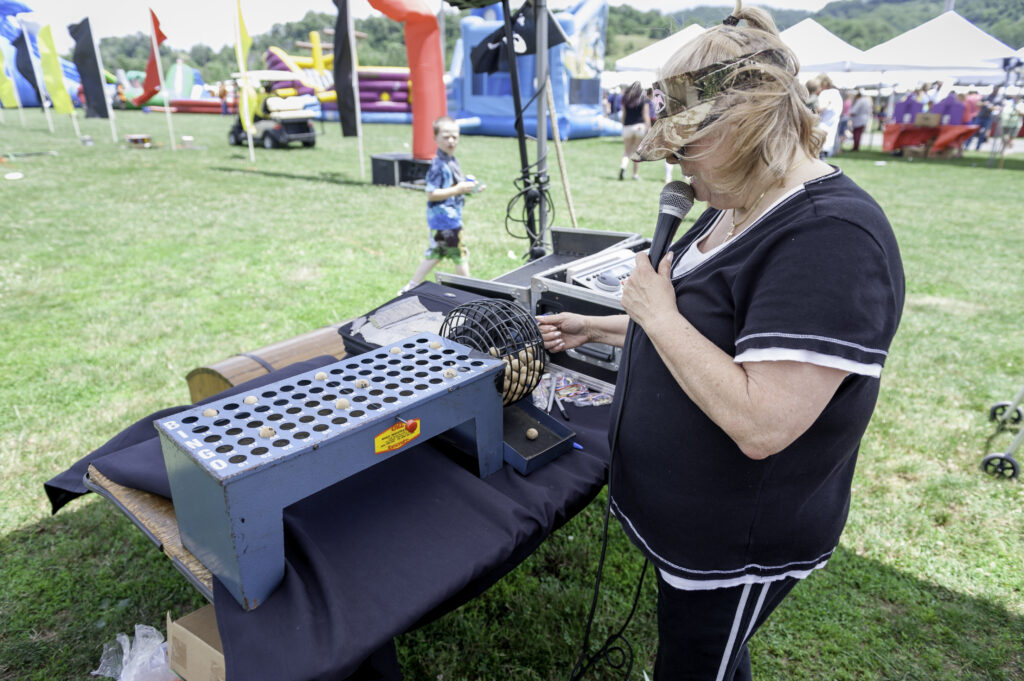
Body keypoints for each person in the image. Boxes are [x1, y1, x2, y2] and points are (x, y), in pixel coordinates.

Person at [537, 3, 905, 679]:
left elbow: (760, 419)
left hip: (738, 542)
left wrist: (658, 312)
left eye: (687, 139)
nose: (674, 159)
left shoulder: (832, 239)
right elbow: (711, 334)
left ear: (747, 122)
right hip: (690, 528)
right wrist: (603, 325)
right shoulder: (738, 200)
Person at [398, 116, 484, 295]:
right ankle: (470, 291)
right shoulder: (438, 165)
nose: (451, 140)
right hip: (445, 219)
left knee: (437, 252)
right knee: (458, 254)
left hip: (447, 218)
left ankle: (411, 285)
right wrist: (459, 188)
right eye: (446, 136)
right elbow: (431, 194)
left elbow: (454, 188)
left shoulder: (451, 161)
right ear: (435, 139)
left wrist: (470, 189)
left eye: (455, 136)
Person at [618, 82, 651, 180]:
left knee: (627, 151)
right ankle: (635, 174)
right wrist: (648, 128)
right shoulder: (643, 100)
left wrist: (623, 125)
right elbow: (646, 115)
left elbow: (623, 115)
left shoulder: (625, 99)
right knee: (636, 152)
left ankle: (623, 167)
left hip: (627, 127)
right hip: (639, 127)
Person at [814, 73, 842, 158]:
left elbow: (819, 108)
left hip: (821, 126)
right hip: (831, 126)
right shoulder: (837, 94)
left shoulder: (825, 94)